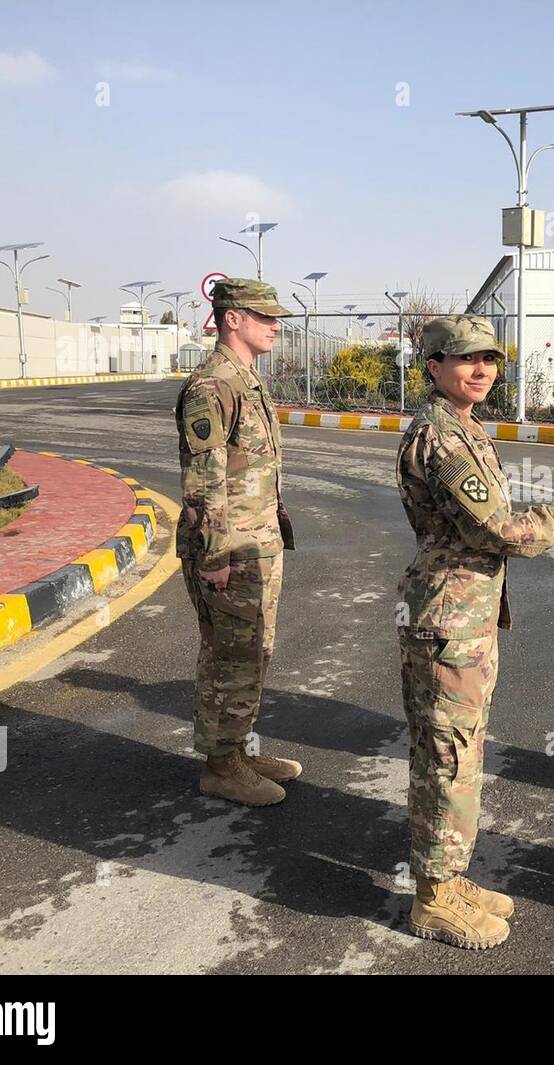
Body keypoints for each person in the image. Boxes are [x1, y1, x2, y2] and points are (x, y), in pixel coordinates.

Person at [395, 314, 554, 950]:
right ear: (433, 366)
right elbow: (497, 528)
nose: (482, 369)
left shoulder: (461, 425)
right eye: (465, 359)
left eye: (489, 358)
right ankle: (433, 896)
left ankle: (451, 876)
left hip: (464, 618)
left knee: (461, 749)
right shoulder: (444, 436)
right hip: (446, 621)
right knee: (447, 756)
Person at [175, 278, 299, 807]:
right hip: (229, 549)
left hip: (256, 544)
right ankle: (221, 766)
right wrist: (215, 556)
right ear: (231, 318)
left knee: (253, 652)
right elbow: (204, 481)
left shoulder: (246, 378)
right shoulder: (212, 386)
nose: (275, 325)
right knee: (230, 656)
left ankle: (237, 749)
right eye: (264, 316)